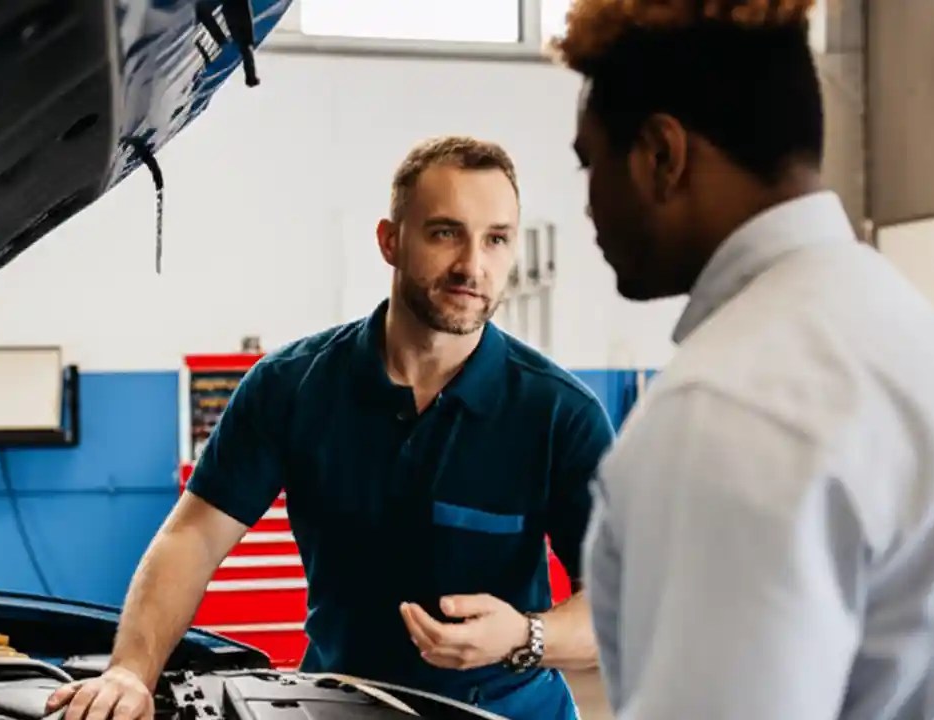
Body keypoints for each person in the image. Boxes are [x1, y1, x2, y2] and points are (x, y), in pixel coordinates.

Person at [45, 136, 615, 719]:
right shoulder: (291, 386)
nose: (473, 264)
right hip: (337, 707)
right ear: (390, 241)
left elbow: (620, 606)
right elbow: (191, 538)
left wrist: (525, 636)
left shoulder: (558, 413)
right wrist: (130, 672)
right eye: (445, 232)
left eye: (496, 239)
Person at [555, 1, 934, 718]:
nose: (588, 207)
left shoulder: (727, 410)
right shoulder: (925, 347)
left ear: (661, 155)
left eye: (592, 163)